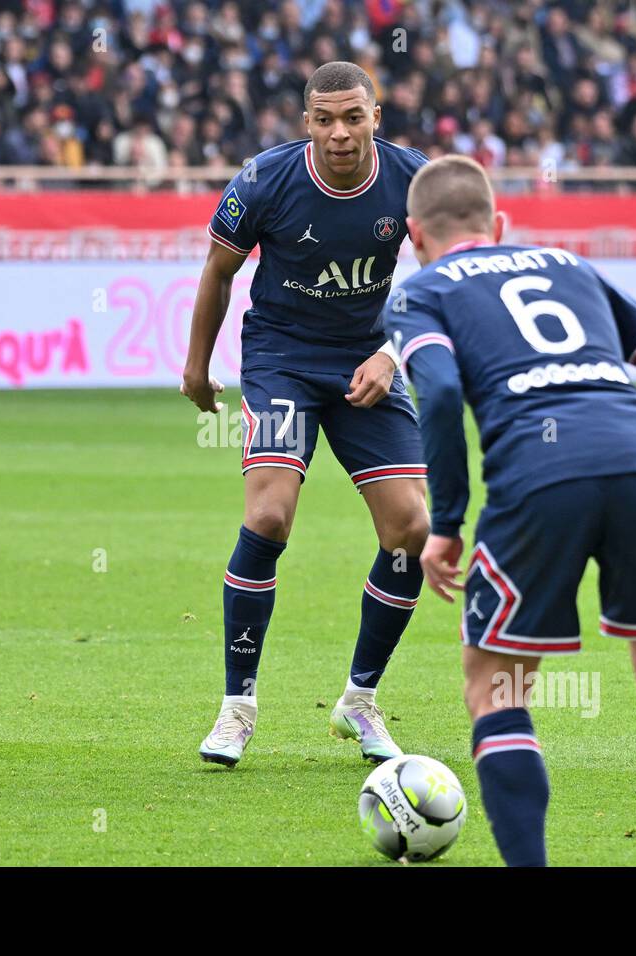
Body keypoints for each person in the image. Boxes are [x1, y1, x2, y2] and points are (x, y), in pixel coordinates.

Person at [383, 155, 636, 866]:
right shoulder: (568, 265)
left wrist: (449, 523)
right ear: (498, 223)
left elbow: (434, 397)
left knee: (495, 687)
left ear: (413, 235)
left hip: (537, 474)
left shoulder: (419, 292)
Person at [181, 61, 430, 767]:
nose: (340, 133)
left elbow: (447, 277)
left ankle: (359, 702)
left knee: (411, 528)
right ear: (307, 124)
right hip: (283, 361)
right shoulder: (263, 180)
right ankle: (237, 708)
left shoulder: (414, 179)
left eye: (353, 117)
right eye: (325, 120)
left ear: (376, 117)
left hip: (366, 364)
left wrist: (391, 354)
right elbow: (218, 273)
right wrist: (197, 370)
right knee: (268, 517)